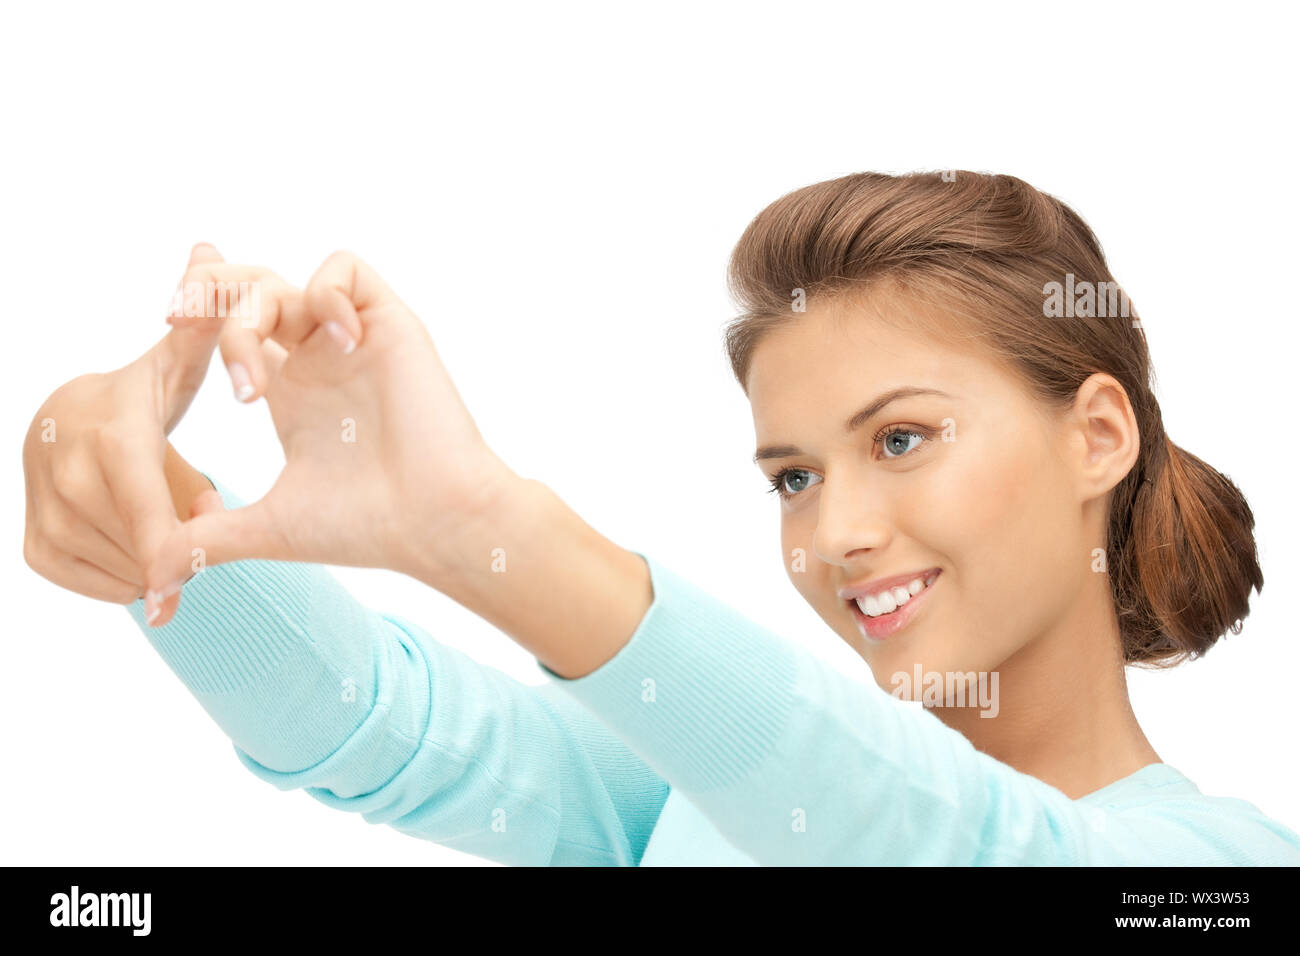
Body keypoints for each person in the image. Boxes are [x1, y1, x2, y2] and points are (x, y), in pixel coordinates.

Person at [24, 171, 1300, 865]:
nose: (836, 532)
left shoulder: (1206, 872)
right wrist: (152, 500)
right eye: (792, 476)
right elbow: (390, 721)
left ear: (1098, 435)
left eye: (901, 438)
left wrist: (482, 526)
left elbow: (926, 832)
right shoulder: (702, 802)